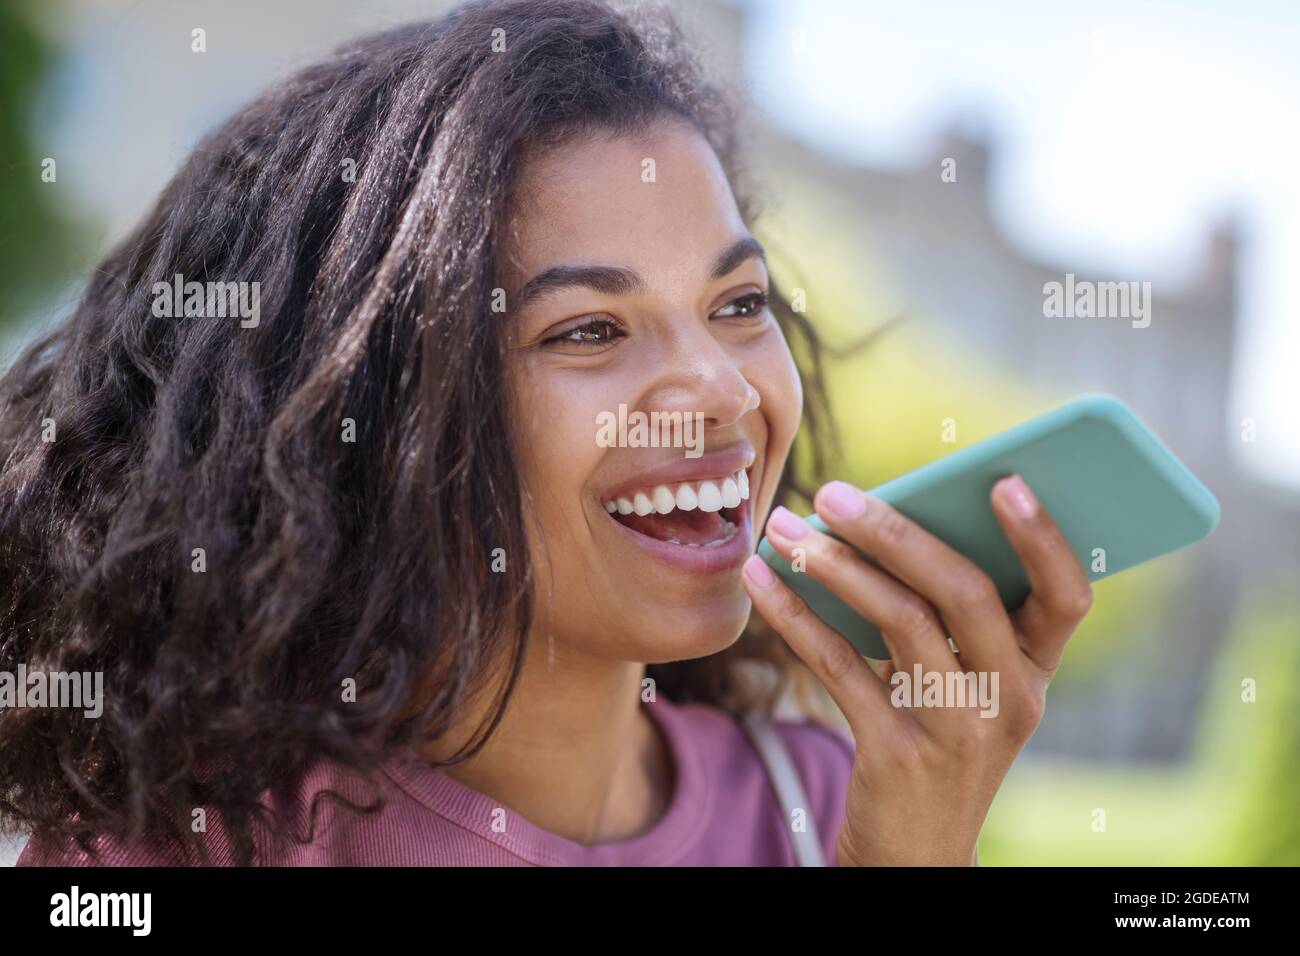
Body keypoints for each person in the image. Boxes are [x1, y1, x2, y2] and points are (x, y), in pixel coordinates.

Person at [1, 0, 1093, 867]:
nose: (719, 387)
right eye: (587, 328)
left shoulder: (828, 805)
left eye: (739, 304)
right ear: (383, 413)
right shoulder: (174, 846)